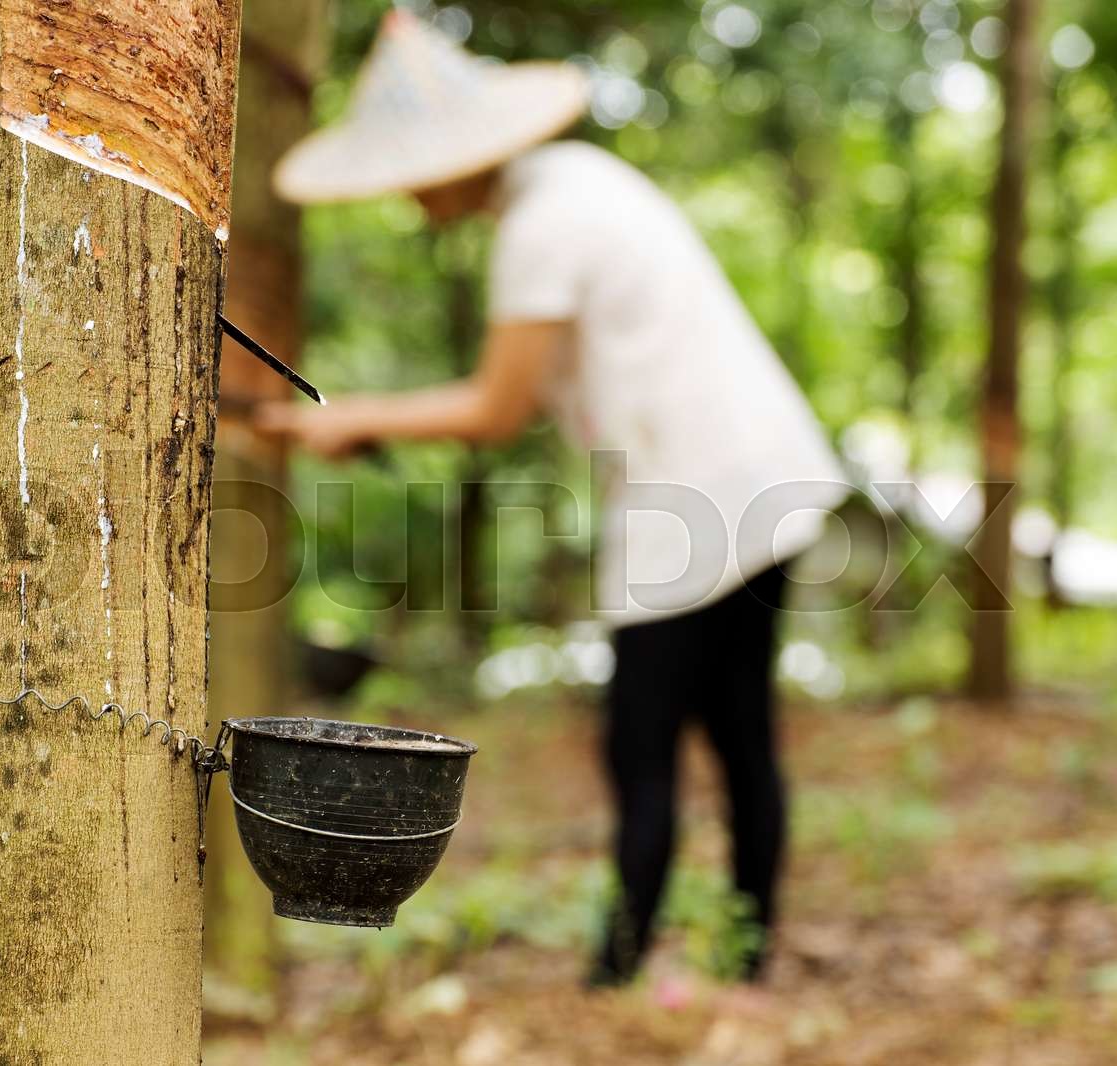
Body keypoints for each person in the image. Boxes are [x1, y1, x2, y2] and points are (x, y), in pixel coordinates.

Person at [258, 12, 848, 990]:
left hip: (696, 495)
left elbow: (496, 409)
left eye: (414, 173)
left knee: (642, 746)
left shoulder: (542, 224)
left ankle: (618, 977)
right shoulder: (577, 183)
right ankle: (738, 961)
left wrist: (353, 415)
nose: (410, 194)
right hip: (758, 474)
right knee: (739, 733)